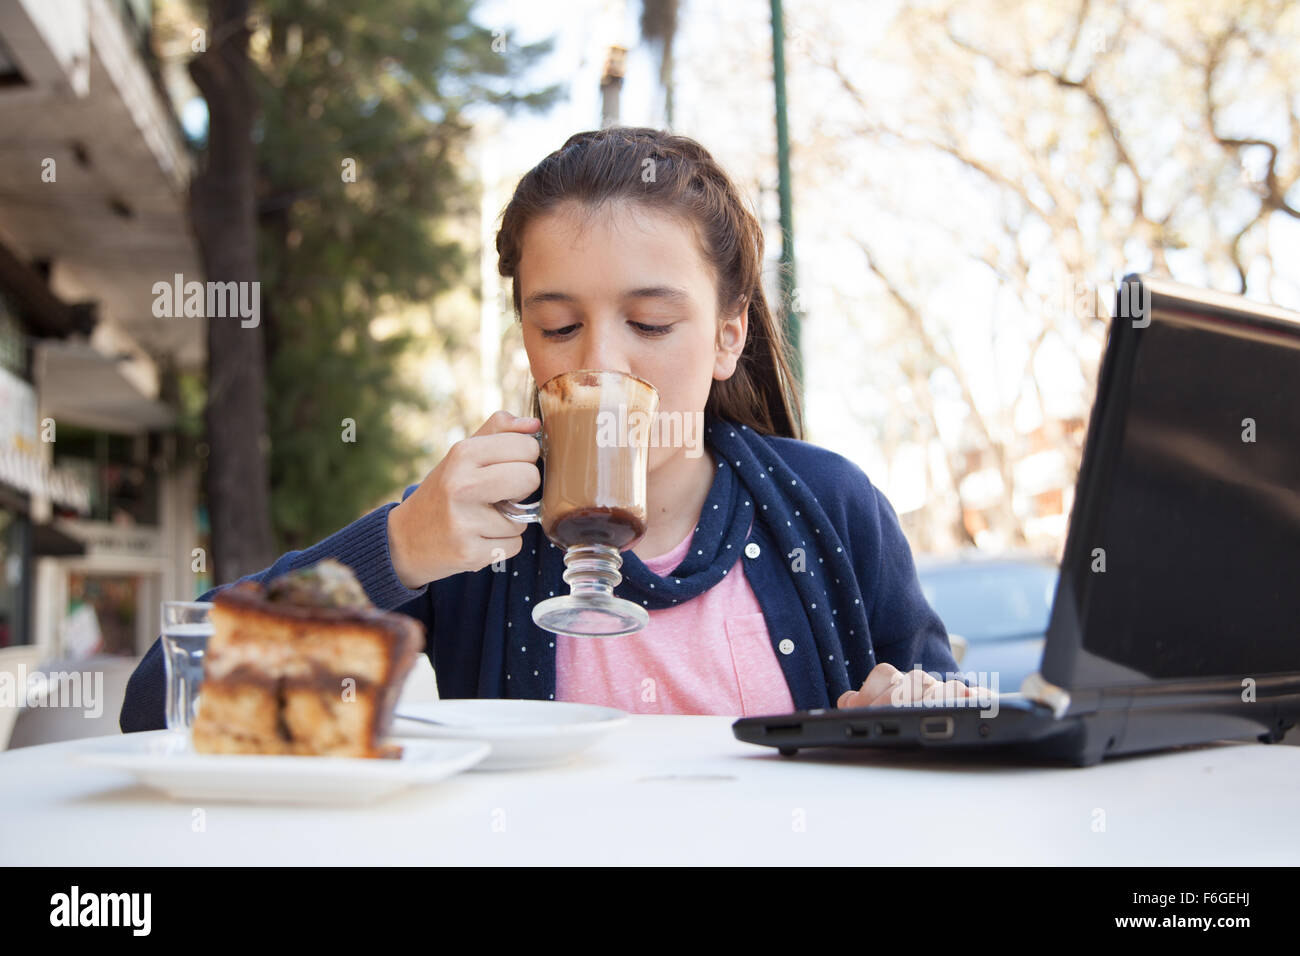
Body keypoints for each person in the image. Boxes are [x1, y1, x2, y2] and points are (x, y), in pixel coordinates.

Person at [120, 126, 981, 732]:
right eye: (559, 328)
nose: (602, 365)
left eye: (650, 324)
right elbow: (163, 697)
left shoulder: (831, 507)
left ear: (728, 337)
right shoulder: (470, 536)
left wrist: (916, 718)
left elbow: (958, 724)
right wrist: (397, 549)